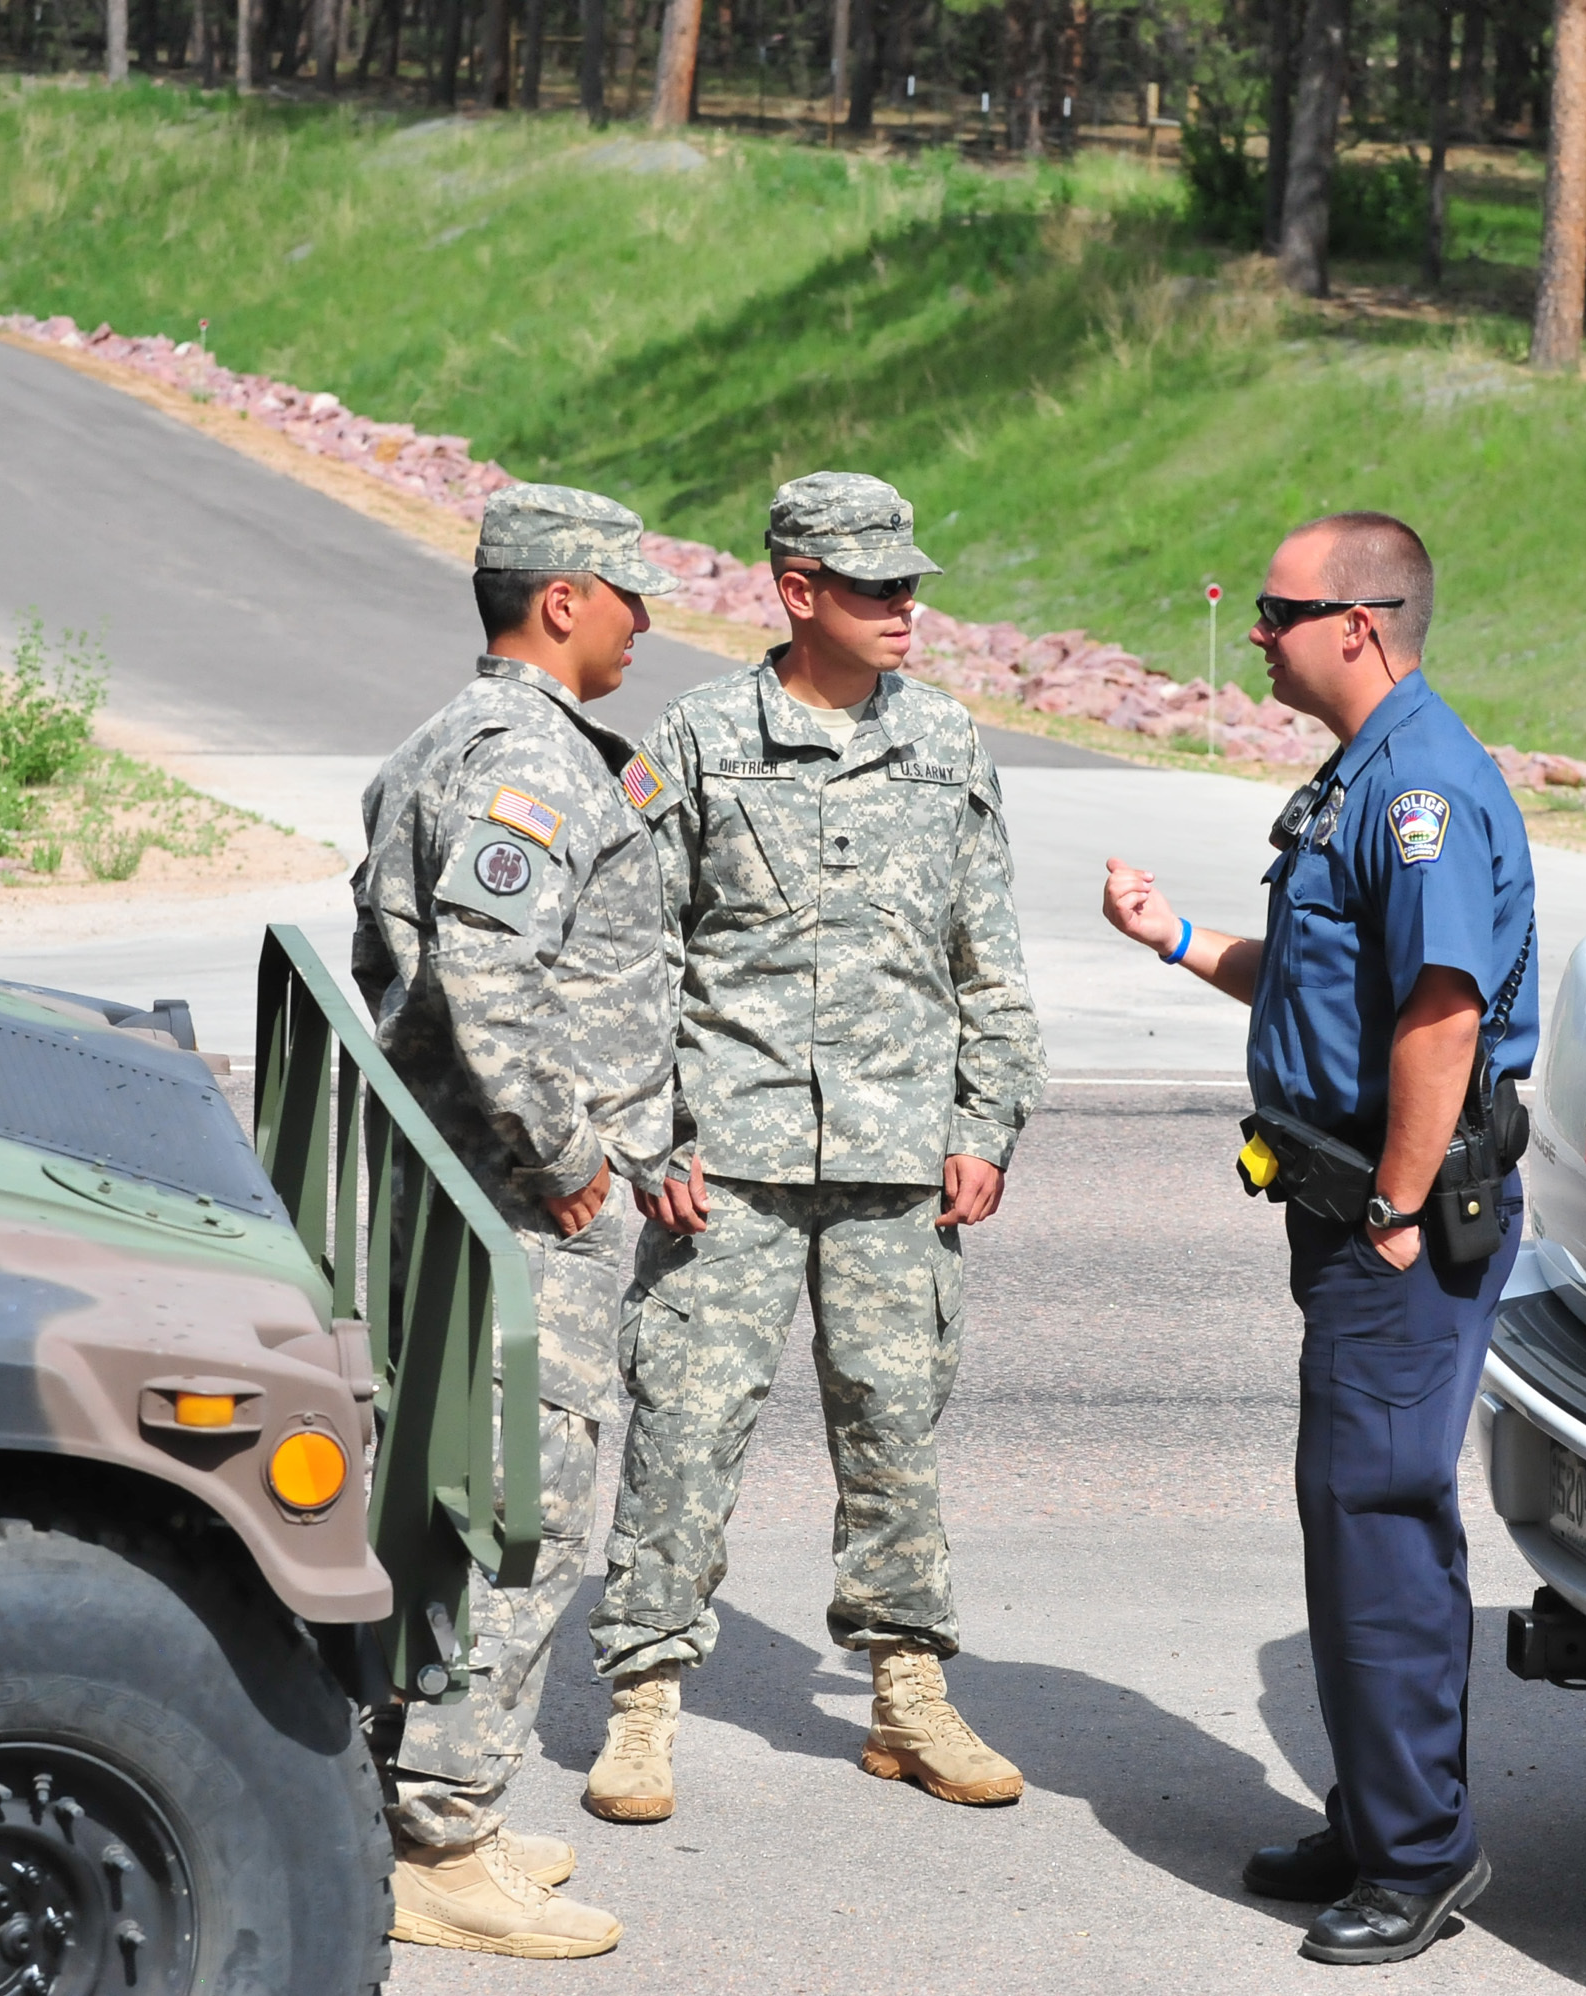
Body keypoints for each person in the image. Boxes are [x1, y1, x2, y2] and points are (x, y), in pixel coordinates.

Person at [1100, 511, 1536, 1968]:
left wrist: (1402, 1209)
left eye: (1277, 610)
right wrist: (1175, 940)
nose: (1255, 632)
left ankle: (1420, 1857)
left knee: (1383, 1528)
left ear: (1357, 625)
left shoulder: (1420, 790)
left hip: (1392, 1225)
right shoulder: (1363, 777)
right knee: (1349, 1528)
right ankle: (1376, 1815)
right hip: (1347, 1206)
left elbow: (1442, 1014)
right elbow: (1322, 986)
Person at [581, 470, 1045, 1826]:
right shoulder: (704, 738)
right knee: (687, 1425)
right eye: (878, 588)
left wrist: (988, 1119)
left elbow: (990, 963)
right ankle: (645, 1704)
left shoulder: (949, 744)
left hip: (902, 1159)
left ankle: (906, 1696)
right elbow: (632, 955)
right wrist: (649, 1132)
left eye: (911, 586)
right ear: (798, 593)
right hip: (729, 1153)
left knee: (895, 1429)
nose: (908, 609)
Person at [350, 481, 681, 1961]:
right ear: (561, 600)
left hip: (463, 1190)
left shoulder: (449, 737)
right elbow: (489, 975)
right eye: (628, 598)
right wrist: (570, 1158)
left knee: (446, 1502)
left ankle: (421, 1790)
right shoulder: (524, 761)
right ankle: (443, 1835)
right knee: (528, 1513)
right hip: (517, 1203)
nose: (643, 626)